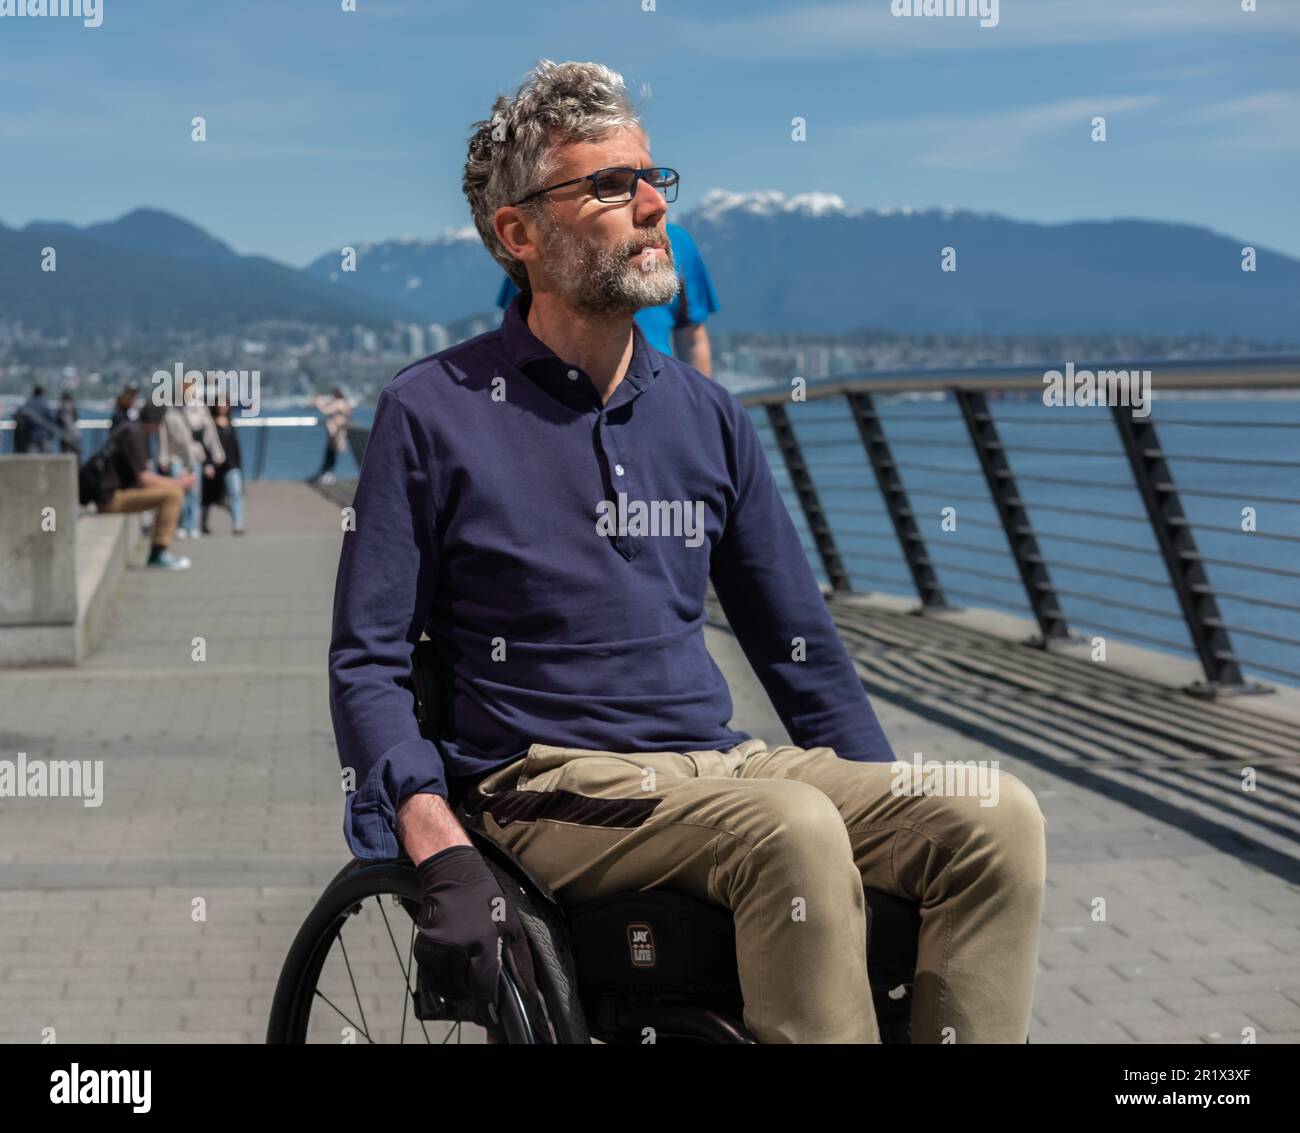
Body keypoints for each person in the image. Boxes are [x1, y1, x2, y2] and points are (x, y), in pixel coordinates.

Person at [328, 60, 1045, 1044]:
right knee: (791, 829)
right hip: (545, 781)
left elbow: (802, 650)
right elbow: (365, 664)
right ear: (520, 234)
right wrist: (429, 837)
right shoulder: (433, 409)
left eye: (655, 179)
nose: (652, 205)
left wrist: (886, 810)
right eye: (611, 185)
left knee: (990, 815)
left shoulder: (705, 416)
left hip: (715, 765)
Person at [495, 220, 719, 376]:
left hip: (659, 392)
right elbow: (516, 331)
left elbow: (691, 333)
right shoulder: (545, 245)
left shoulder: (676, 242)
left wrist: (701, 407)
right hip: (556, 396)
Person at [90, 402, 193, 570]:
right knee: (174, 494)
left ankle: (159, 551)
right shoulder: (135, 435)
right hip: (110, 500)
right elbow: (144, 479)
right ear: (156, 422)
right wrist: (179, 483)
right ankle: (159, 553)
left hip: (110, 495)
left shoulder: (131, 430)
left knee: (171, 491)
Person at [201, 401, 245, 535]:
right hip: (215, 466)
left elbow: (235, 446)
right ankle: (203, 523)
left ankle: (238, 524)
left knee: (236, 493)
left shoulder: (231, 423)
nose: (222, 406)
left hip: (232, 465)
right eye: (219, 404)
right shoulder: (209, 423)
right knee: (208, 497)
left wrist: (239, 465)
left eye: (225, 404)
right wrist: (207, 464)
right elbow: (207, 446)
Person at [311, 389, 351, 485]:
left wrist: (318, 403)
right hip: (334, 434)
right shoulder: (341, 403)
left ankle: (328, 475)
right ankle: (325, 473)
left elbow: (326, 411)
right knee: (330, 454)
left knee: (332, 455)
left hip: (338, 434)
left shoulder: (340, 403)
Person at [12, 385, 57, 453]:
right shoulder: (45, 404)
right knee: (47, 459)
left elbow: (22, 418)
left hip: (31, 437)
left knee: (33, 460)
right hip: (44, 436)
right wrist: (50, 435)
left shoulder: (29, 404)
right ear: (42, 393)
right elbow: (51, 420)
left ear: (33, 393)